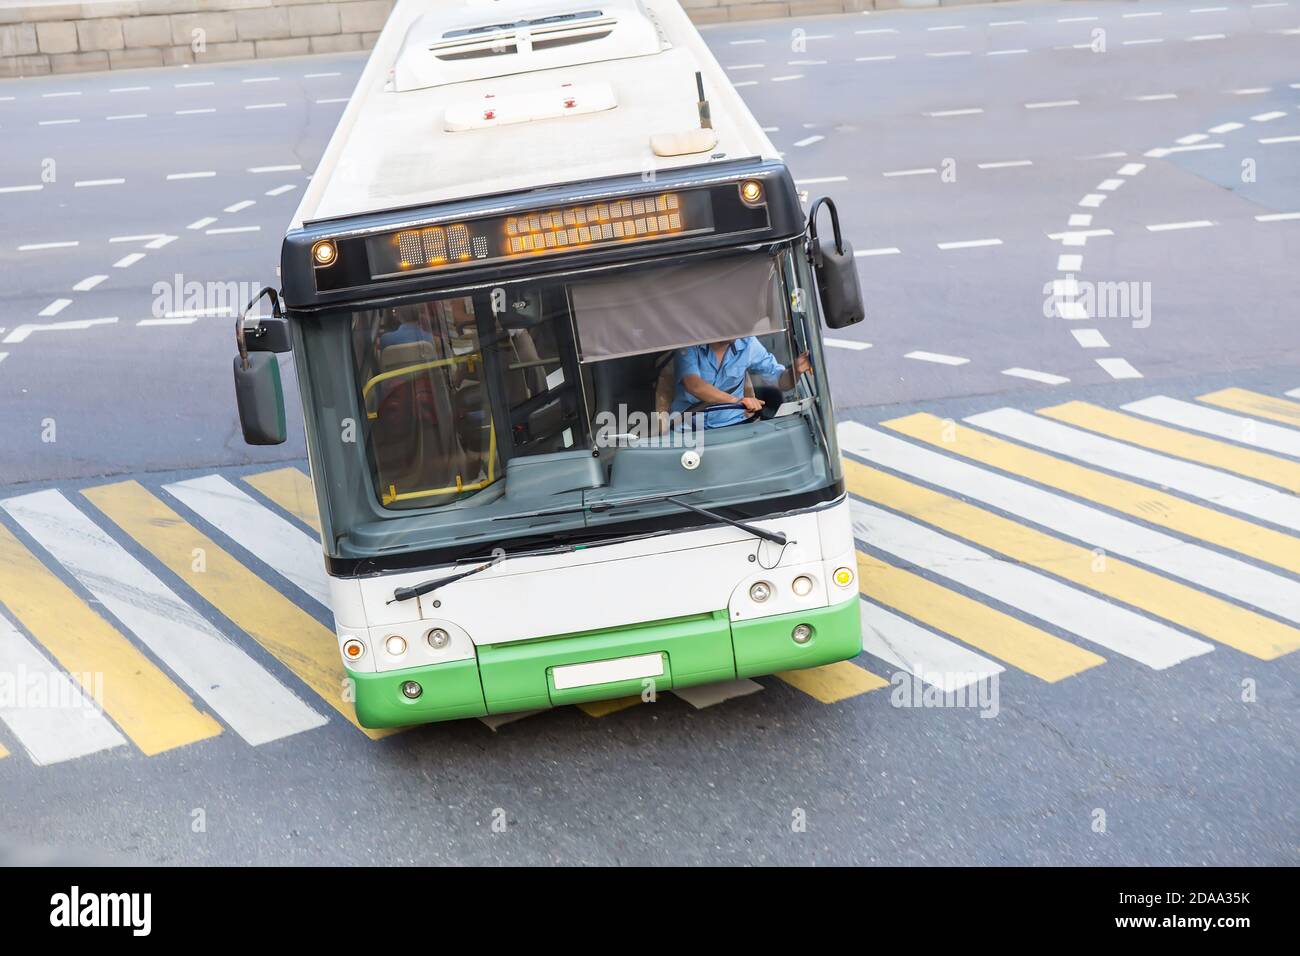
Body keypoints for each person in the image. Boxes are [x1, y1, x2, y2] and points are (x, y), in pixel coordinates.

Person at [671, 336, 811, 428]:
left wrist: (795, 371)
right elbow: (693, 384)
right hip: (687, 424)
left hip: (734, 423)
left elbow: (781, 382)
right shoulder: (689, 343)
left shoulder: (748, 344)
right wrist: (737, 401)